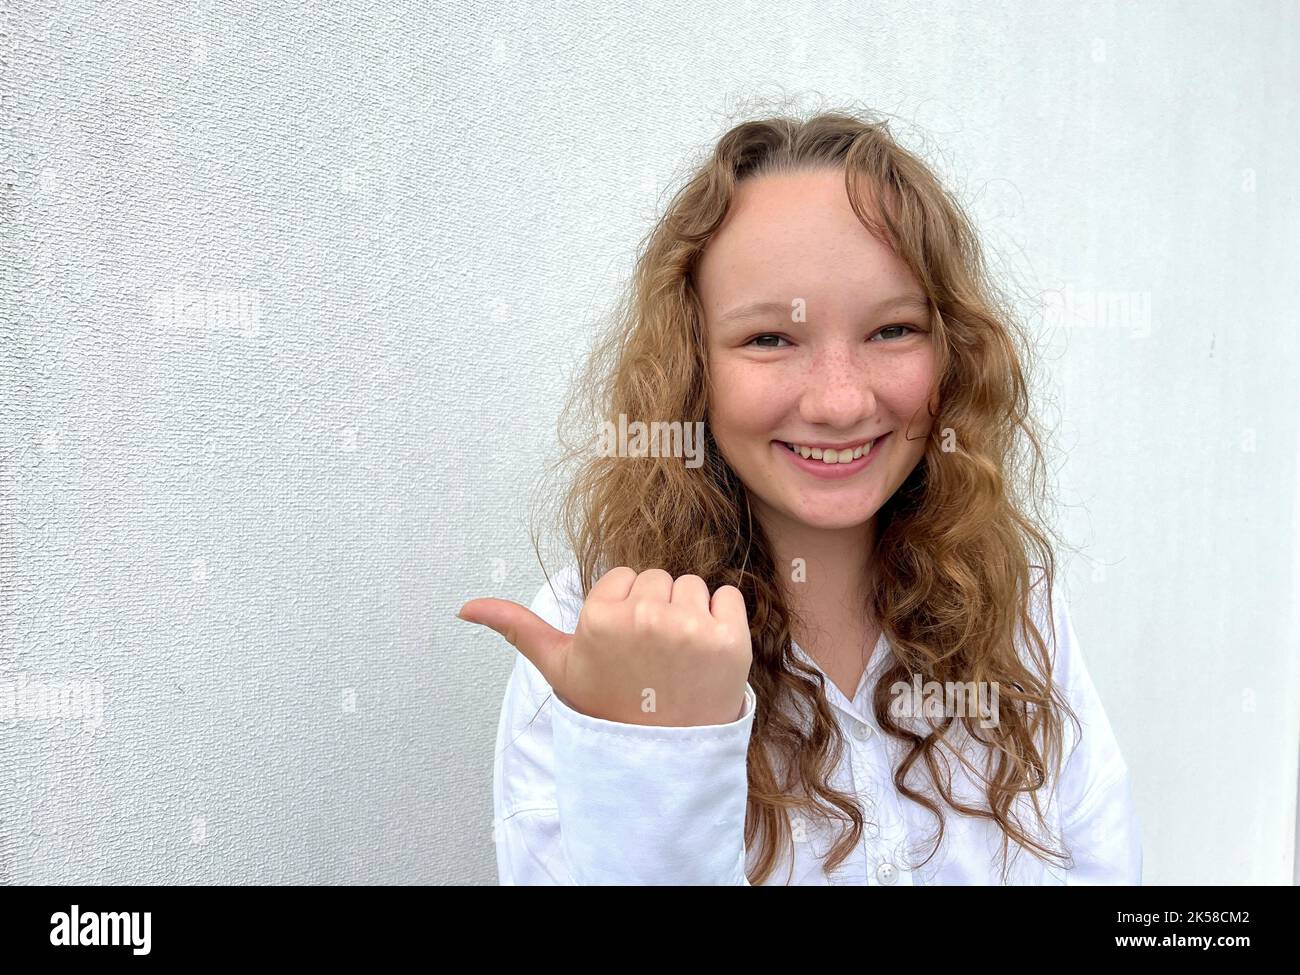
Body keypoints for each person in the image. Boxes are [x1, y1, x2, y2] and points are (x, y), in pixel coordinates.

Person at [458, 109, 1142, 885]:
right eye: (771, 339)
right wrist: (656, 766)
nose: (841, 402)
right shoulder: (600, 641)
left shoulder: (1017, 607)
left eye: (893, 330)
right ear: (691, 366)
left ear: (953, 350)